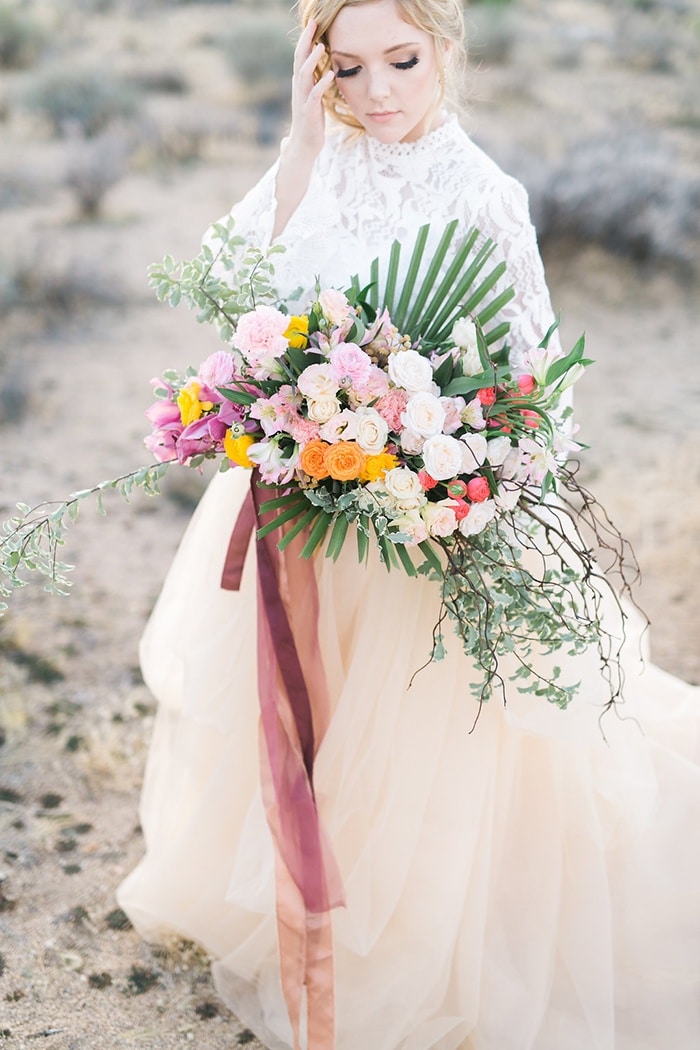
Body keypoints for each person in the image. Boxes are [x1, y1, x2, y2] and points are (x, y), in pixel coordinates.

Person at [117, 1, 700, 1048]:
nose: (377, 92)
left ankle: (422, 952)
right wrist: (297, 147)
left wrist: (451, 474)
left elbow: (540, 393)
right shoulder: (317, 159)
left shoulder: (486, 196)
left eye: (402, 60)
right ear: (312, 68)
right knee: (314, 738)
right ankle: (308, 914)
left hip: (427, 532)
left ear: (446, 49)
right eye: (346, 68)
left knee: (425, 759)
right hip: (307, 513)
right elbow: (228, 287)